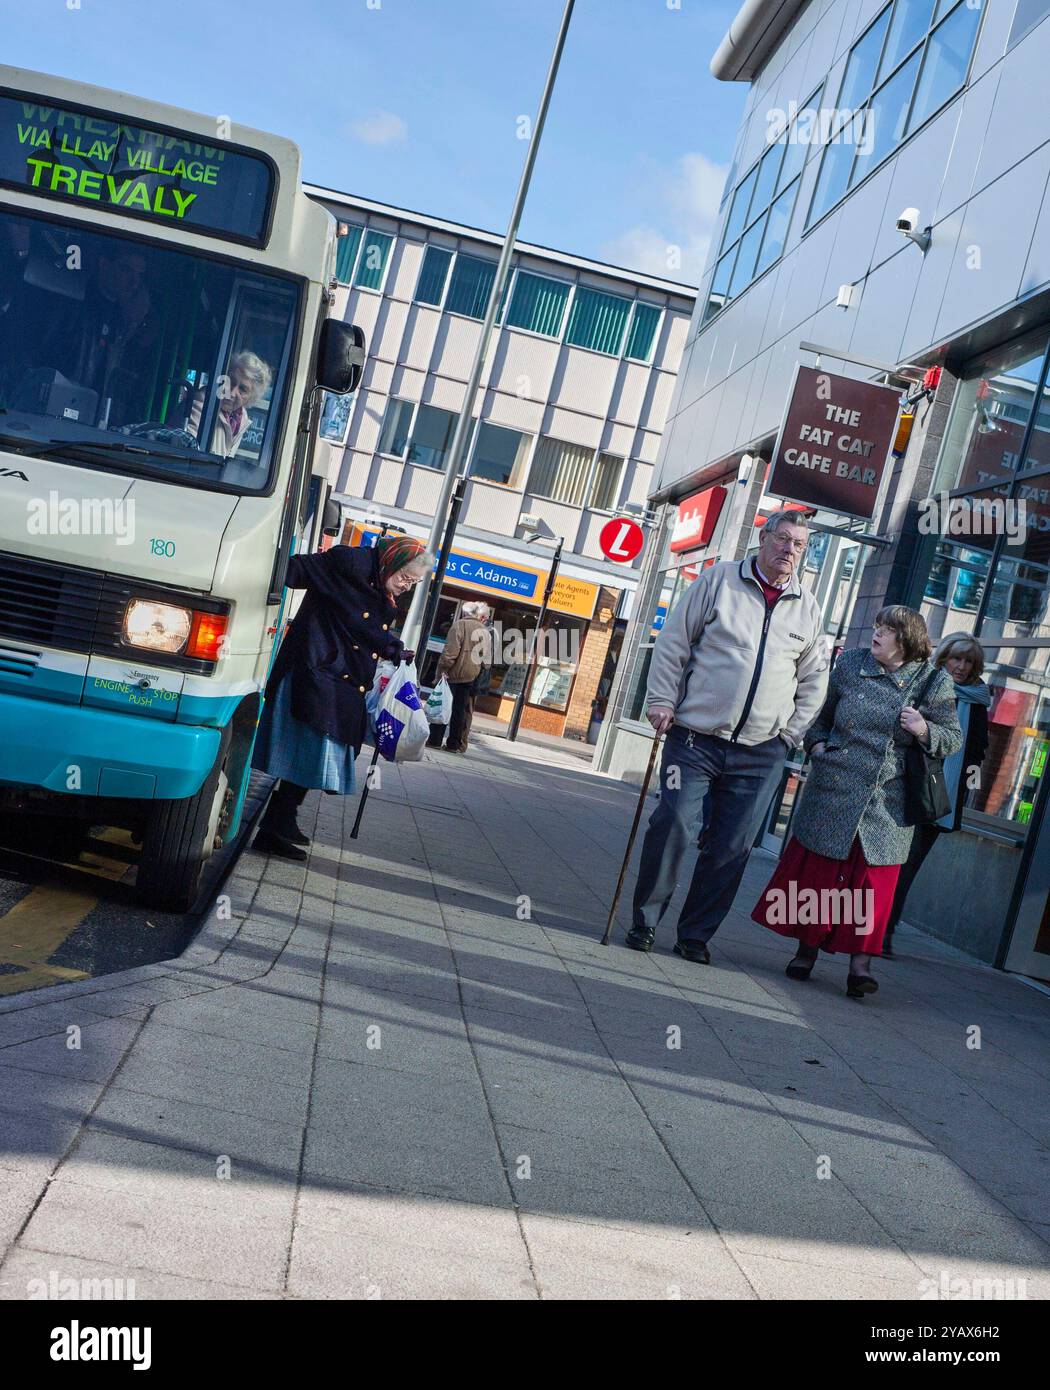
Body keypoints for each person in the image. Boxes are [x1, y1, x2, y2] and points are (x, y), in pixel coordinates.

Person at [626, 510, 829, 964]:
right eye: (782, 539)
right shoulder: (719, 581)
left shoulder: (808, 607)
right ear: (763, 538)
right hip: (695, 738)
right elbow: (674, 642)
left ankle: (695, 935)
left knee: (733, 846)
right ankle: (645, 921)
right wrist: (661, 699)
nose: (789, 550)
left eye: (799, 544)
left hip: (761, 752)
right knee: (673, 822)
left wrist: (789, 736)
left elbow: (815, 680)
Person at [752, 606, 963, 998]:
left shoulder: (932, 681)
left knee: (870, 883)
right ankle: (806, 951)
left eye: (887, 629)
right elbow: (820, 717)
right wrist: (816, 747)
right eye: (877, 625)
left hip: (888, 803)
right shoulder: (850, 664)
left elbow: (953, 739)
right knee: (821, 874)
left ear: (908, 639)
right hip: (834, 787)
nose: (877, 633)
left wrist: (923, 728)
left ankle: (860, 966)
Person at [251, 536, 433, 860]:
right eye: (405, 577)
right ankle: (274, 826)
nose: (406, 586)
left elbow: (359, 623)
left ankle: (282, 819)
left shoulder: (378, 581)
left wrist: (391, 646)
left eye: (413, 582)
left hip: (337, 678)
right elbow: (295, 571)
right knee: (314, 751)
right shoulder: (349, 563)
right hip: (315, 670)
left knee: (318, 752)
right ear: (391, 561)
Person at [883, 632, 990, 956]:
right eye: (956, 658)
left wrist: (968, 793)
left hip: (943, 797)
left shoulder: (978, 700)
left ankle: (885, 931)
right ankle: (874, 929)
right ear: (943, 657)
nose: (961, 666)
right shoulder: (928, 685)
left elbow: (977, 754)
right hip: (909, 788)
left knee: (909, 866)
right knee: (893, 863)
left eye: (968, 660)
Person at [426, 601, 492, 753]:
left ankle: (435, 740)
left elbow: (450, 653)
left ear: (464, 613)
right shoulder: (485, 632)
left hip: (452, 674)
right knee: (459, 710)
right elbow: (486, 661)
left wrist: (443, 669)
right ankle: (453, 744)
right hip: (470, 676)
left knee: (443, 706)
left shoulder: (459, 625)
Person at [211, 350, 272, 458]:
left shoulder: (240, 418)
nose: (233, 392)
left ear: (251, 397)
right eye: (231, 382)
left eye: (242, 389)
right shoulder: (203, 403)